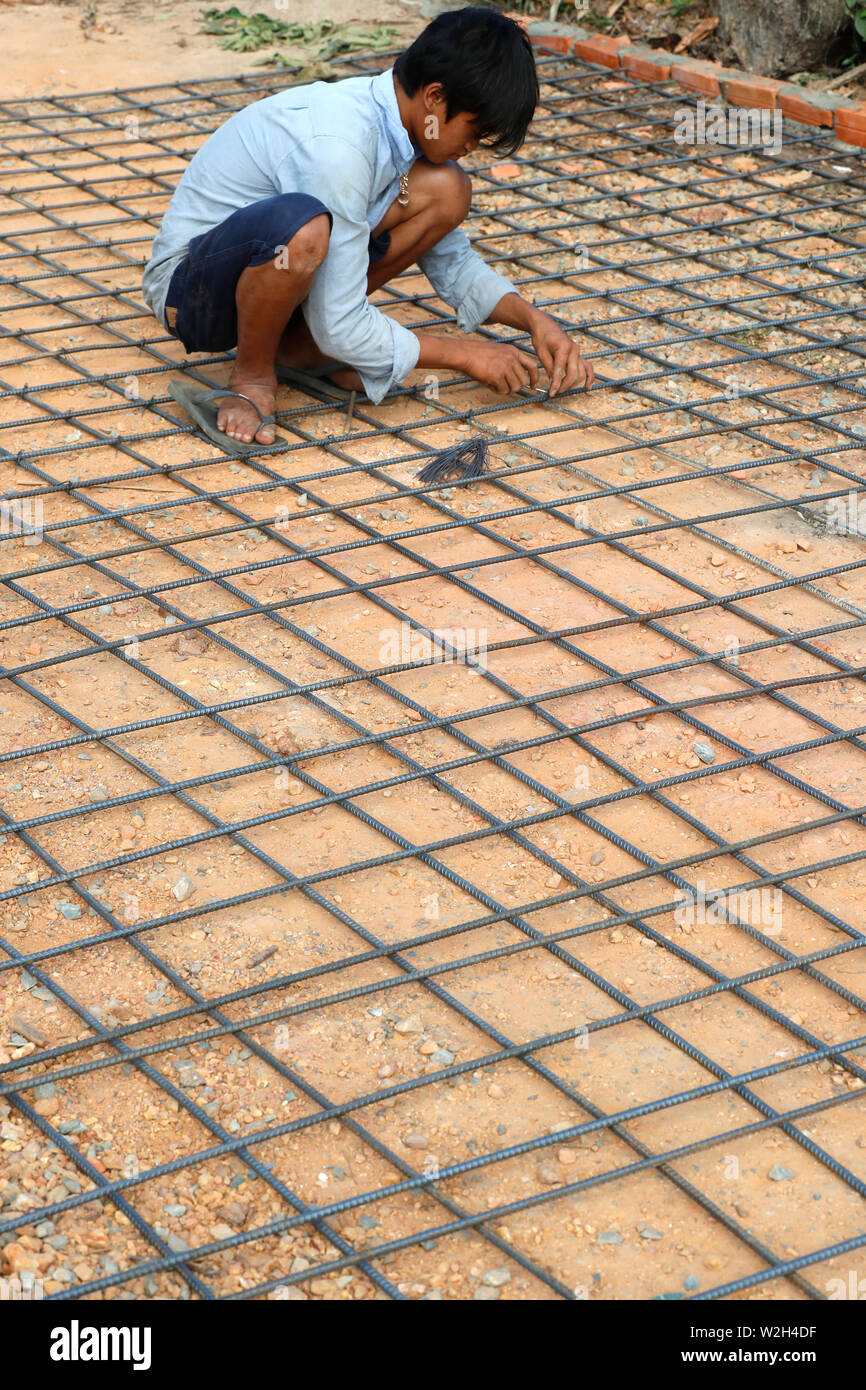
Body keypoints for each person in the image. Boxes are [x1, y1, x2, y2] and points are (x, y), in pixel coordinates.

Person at [142, 6, 594, 448]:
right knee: (304, 232)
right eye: (474, 131)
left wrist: (533, 320)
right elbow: (337, 317)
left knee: (448, 189)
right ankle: (252, 376)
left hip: (270, 283)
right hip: (194, 293)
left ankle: (297, 349)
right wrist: (466, 354)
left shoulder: (403, 127)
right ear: (435, 98)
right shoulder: (338, 146)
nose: (472, 146)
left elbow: (453, 263)